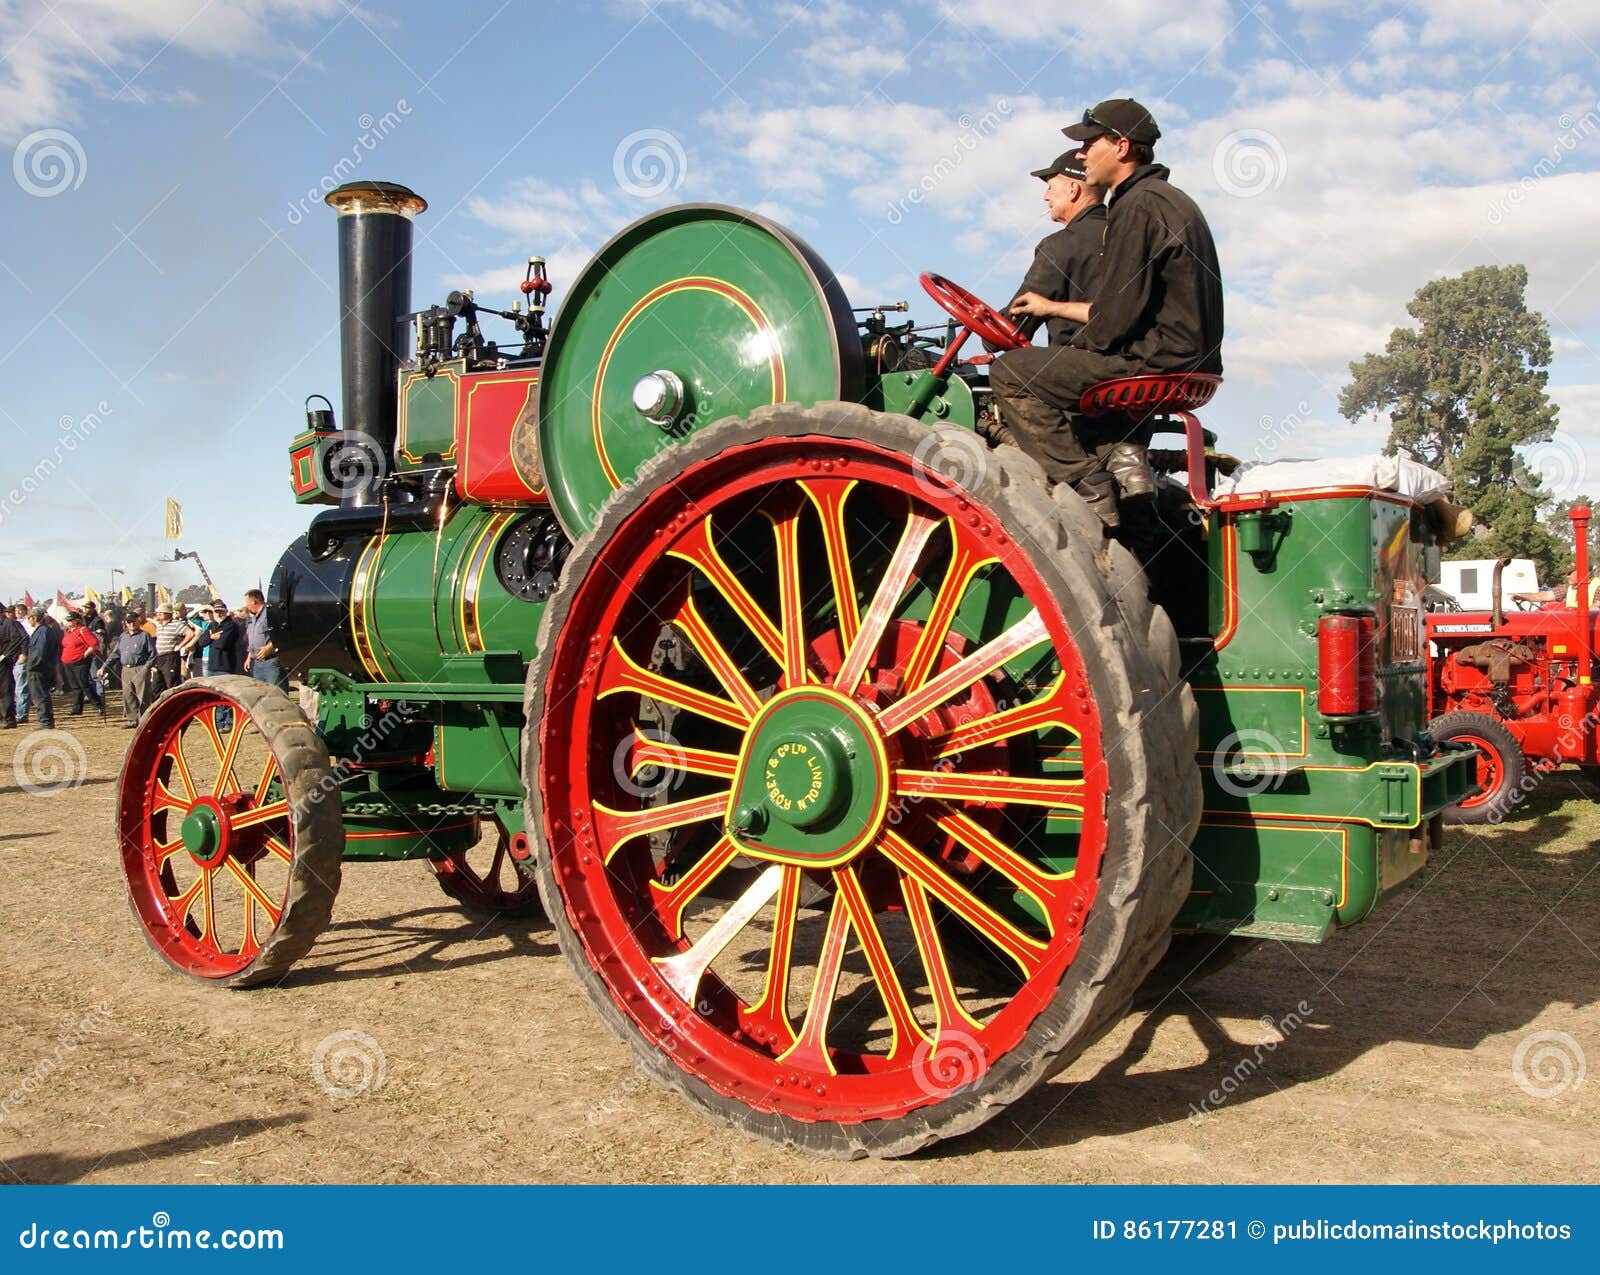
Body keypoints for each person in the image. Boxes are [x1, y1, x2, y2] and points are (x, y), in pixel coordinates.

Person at [992, 98, 1224, 535]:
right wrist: (1053, 309)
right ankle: (1124, 471)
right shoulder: (1170, 200)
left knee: (1012, 371)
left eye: (1088, 144)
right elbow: (1124, 308)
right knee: (1060, 372)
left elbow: (1114, 321)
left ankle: (1087, 485)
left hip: (1155, 362)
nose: (1082, 155)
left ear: (1121, 146)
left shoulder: (1135, 207)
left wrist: (1073, 353)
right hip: (1191, 362)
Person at [59, 612, 103, 717]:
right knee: (75, 686)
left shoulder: (83, 630)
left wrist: (85, 655)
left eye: (71, 620)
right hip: (68, 662)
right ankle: (77, 708)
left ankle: (98, 705)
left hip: (80, 662)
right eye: (68, 620)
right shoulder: (68, 632)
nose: (68, 622)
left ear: (77, 620)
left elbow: (94, 644)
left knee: (84, 684)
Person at [24, 606, 61, 730]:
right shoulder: (46, 630)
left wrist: (30, 666)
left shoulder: (42, 632)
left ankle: (45, 722)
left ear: (34, 618)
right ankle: (46, 721)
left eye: (29, 618)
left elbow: (39, 652)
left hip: (39, 669)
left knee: (40, 696)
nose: (28, 620)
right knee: (42, 695)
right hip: (44, 667)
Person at [243, 589, 288, 688]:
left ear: (254, 601)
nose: (246, 606)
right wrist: (249, 657)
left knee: (275, 692)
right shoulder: (253, 618)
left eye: (247, 602)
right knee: (260, 693)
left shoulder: (271, 613)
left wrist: (270, 647)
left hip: (271, 662)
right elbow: (252, 639)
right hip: (257, 663)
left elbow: (282, 632)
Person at [117, 613, 156, 727]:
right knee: (128, 695)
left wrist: (146, 667)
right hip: (126, 669)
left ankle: (145, 720)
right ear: (126, 623)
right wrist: (104, 666)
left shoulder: (144, 635)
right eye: (129, 622)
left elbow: (153, 654)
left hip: (140, 667)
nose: (131, 624)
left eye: (133, 621)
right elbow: (115, 652)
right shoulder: (122, 636)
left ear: (138, 621)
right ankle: (132, 720)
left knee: (143, 695)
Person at [152, 605, 188, 692]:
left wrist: (180, 646)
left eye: (161, 612)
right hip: (159, 657)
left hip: (170, 657)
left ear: (168, 614)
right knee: (157, 685)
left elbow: (190, 634)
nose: (159, 614)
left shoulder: (176, 624)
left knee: (171, 683)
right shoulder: (159, 625)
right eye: (158, 612)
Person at [0, 604, 25, 727]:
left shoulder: (9, 623)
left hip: (3, 663)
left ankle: (8, 719)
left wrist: (6, 655)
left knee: (5, 690)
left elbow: (20, 638)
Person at [206, 601, 242, 675]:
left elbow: (222, 644)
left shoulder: (231, 625)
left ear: (226, 612)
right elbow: (201, 642)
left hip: (224, 668)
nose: (218, 614)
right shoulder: (212, 625)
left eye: (221, 611)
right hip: (211, 667)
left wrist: (210, 640)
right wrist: (212, 637)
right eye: (216, 612)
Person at [12, 603, 33, 724]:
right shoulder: (15, 623)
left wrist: (24, 654)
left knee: (21, 687)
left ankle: (21, 714)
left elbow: (27, 639)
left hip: (21, 659)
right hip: (13, 659)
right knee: (16, 687)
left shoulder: (27, 624)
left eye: (20, 610)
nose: (18, 612)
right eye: (17, 610)